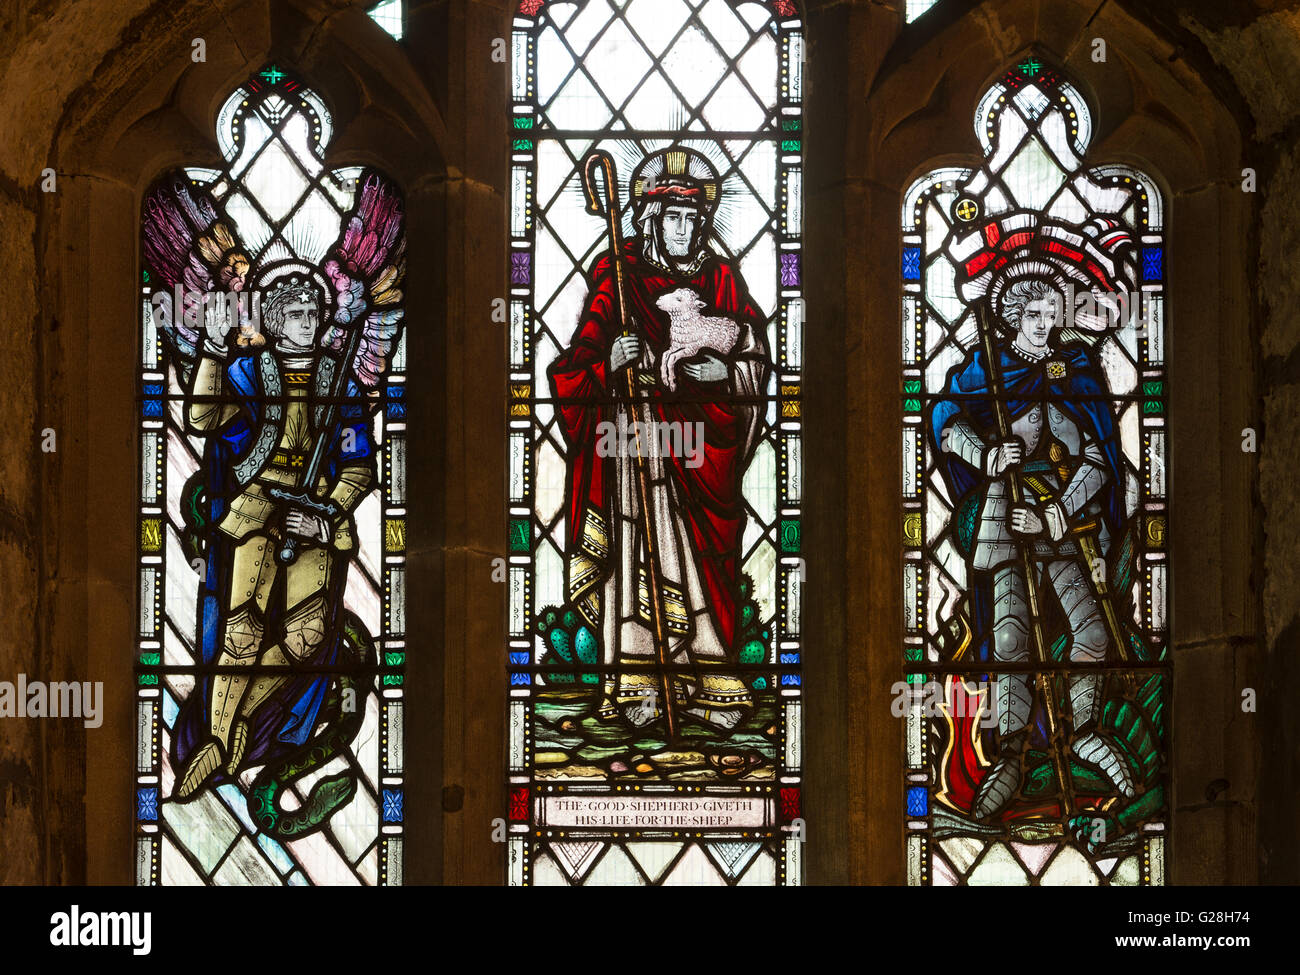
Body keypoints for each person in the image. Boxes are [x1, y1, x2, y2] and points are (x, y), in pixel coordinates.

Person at [548, 146, 771, 732]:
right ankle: (639, 681)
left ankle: (709, 679)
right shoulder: (615, 275)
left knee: (699, 557)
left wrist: (726, 375)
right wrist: (608, 366)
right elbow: (570, 371)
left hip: (701, 450)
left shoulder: (721, 279)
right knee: (634, 552)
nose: (682, 228)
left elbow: (753, 358)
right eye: (671, 218)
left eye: (692, 219)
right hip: (633, 443)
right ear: (648, 220)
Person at [929, 277, 1135, 819]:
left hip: (1065, 523)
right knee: (1012, 642)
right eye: (1033, 314)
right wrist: (986, 453)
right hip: (1005, 517)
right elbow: (944, 422)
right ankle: (1012, 753)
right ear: (1014, 318)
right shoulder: (989, 369)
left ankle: (1085, 733)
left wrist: (1056, 514)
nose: (1045, 323)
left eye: (1052, 312)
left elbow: (1099, 456)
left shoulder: (1076, 368)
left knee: (1091, 633)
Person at [174, 275, 375, 798]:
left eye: (314, 313)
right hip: (261, 500)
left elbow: (357, 467)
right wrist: (215, 353)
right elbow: (201, 416)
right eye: (296, 315)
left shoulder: (342, 384)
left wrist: (325, 517)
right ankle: (219, 737)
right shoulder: (247, 372)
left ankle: (233, 731)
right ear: (276, 323)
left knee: (308, 637)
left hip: (315, 510)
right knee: (241, 630)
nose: (309, 323)